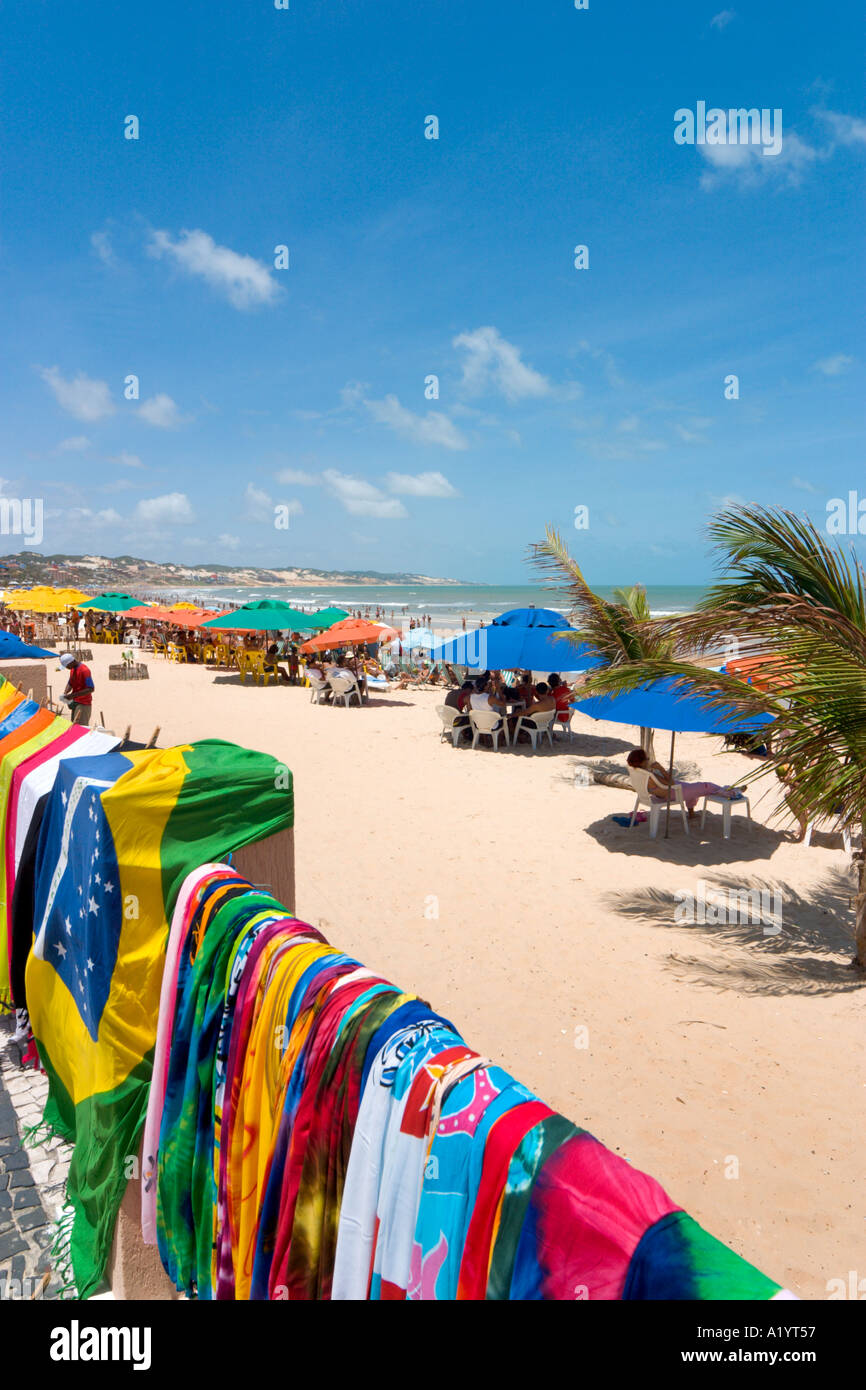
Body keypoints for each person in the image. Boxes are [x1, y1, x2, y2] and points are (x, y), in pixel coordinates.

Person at [625, 748, 743, 816]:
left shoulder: (639, 772)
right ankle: (733, 792)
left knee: (694, 787)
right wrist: (661, 769)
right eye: (647, 758)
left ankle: (691, 813)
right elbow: (671, 784)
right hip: (674, 792)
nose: (649, 760)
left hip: (662, 793)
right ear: (641, 761)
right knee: (707, 786)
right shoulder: (649, 775)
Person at [59, 652, 94, 726]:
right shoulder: (72, 669)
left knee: (80, 726)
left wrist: (72, 695)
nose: (67, 668)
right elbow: (70, 682)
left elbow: (91, 688)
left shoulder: (84, 670)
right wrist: (65, 693)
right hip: (75, 701)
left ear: (71, 662)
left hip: (83, 703)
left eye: (67, 666)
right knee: (74, 725)